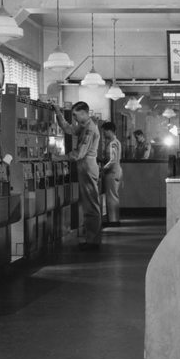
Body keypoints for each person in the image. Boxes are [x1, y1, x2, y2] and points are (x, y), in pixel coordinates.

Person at [52, 101, 101, 250]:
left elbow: (79, 154)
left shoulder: (89, 129)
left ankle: (93, 241)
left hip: (87, 165)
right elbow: (68, 129)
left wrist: (58, 158)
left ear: (83, 113)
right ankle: (92, 239)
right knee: (89, 204)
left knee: (90, 205)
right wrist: (57, 112)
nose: (73, 118)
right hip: (86, 166)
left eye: (75, 114)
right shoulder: (84, 126)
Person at [101, 121, 122, 227]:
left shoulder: (112, 143)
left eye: (104, 132)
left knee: (111, 197)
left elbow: (112, 160)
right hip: (117, 171)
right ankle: (114, 219)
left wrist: (103, 169)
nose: (104, 134)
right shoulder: (117, 142)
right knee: (114, 196)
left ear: (109, 131)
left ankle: (113, 221)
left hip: (112, 171)